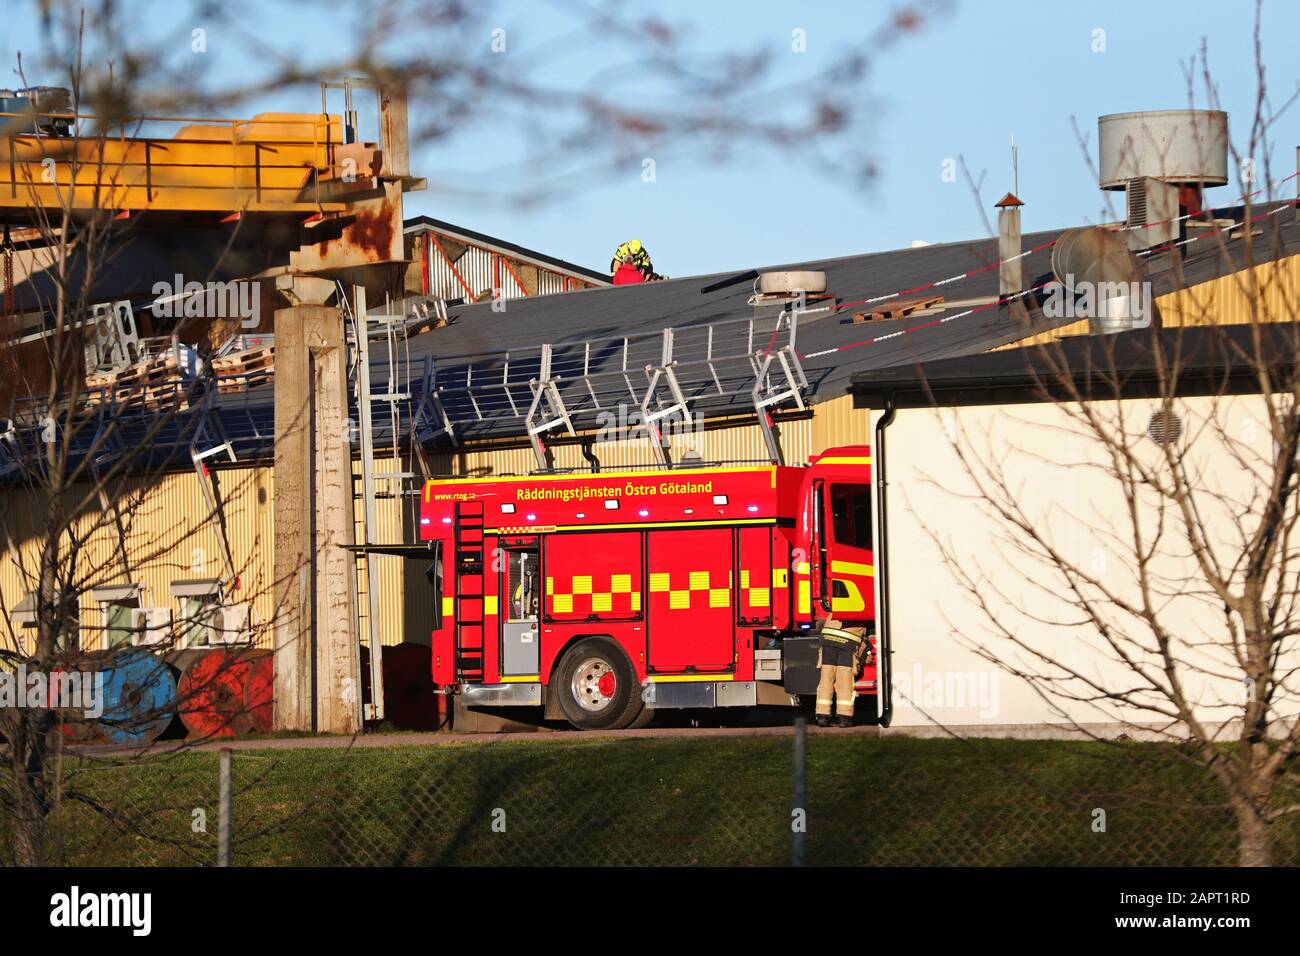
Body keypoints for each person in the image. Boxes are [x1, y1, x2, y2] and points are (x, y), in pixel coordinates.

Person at [815, 616, 867, 728]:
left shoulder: (837, 605)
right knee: (844, 682)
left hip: (828, 640)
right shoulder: (861, 608)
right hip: (848, 643)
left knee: (826, 680)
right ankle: (844, 718)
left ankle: (822, 717)